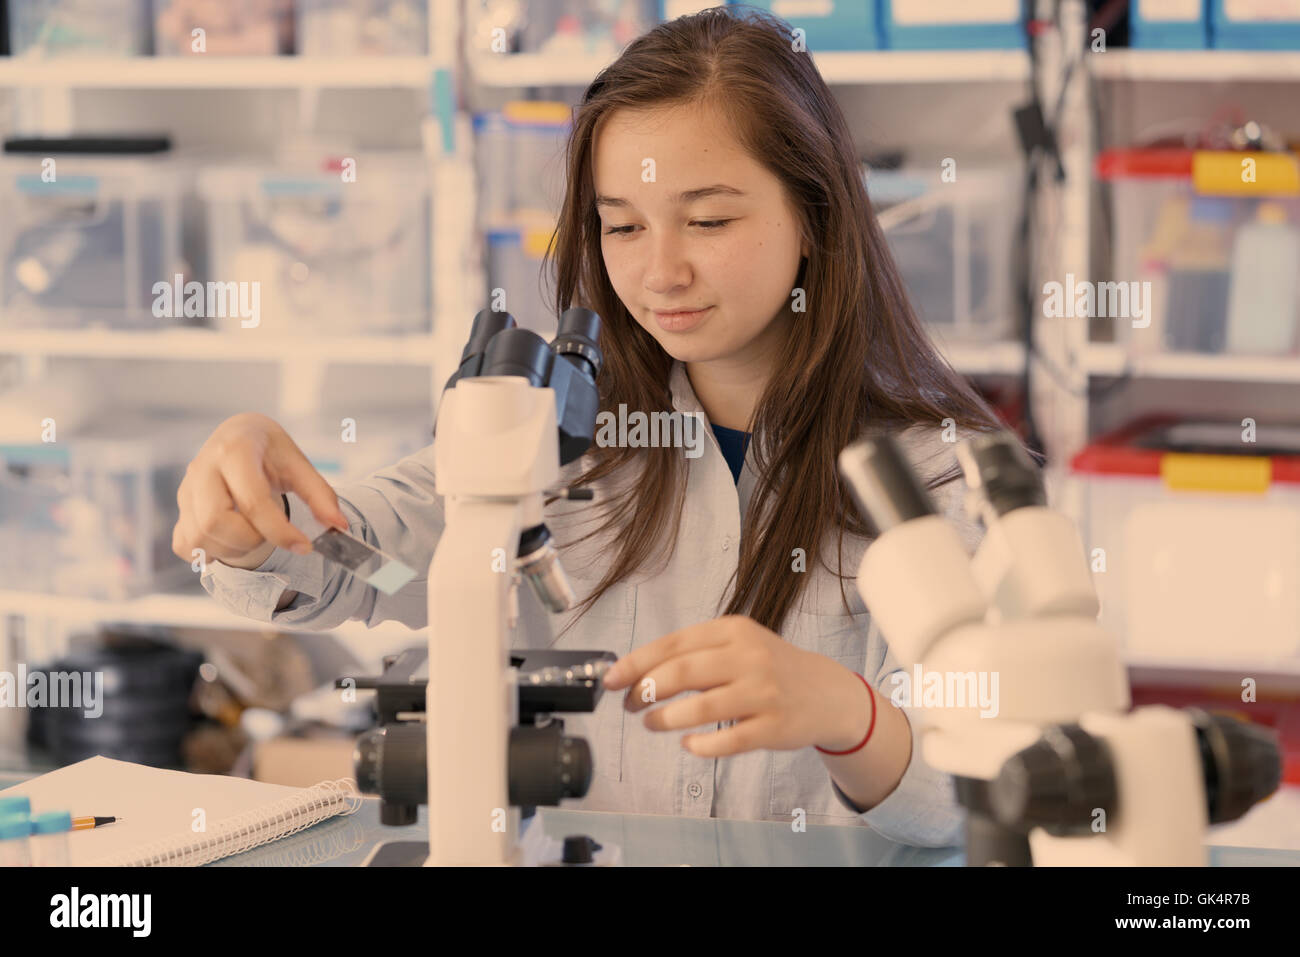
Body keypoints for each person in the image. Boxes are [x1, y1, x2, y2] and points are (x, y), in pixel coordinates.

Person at [175, 7, 1020, 847]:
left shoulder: (945, 477)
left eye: (710, 219)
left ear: (815, 215)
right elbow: (369, 564)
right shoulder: (553, 433)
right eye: (622, 225)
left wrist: (842, 711)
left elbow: (965, 789)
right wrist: (251, 512)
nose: (660, 270)